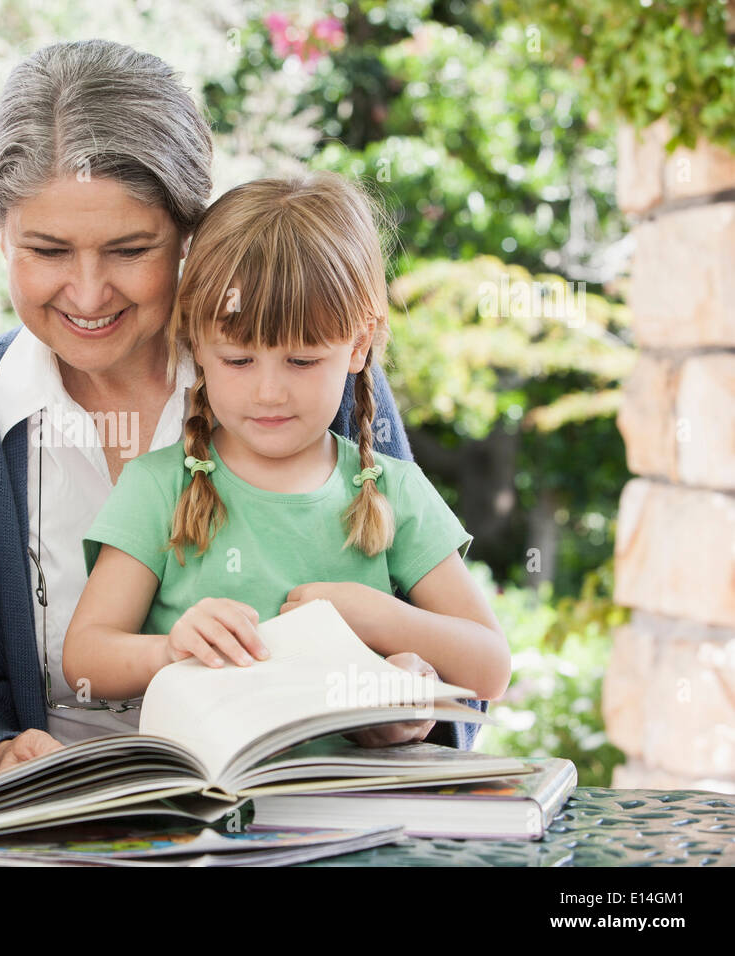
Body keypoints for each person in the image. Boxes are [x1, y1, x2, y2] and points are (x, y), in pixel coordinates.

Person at [0, 39, 482, 781]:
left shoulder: (311, 388)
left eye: (130, 249)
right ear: (0, 235)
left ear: (191, 235)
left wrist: (414, 713)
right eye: (48, 250)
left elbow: (451, 664)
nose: (88, 295)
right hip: (66, 818)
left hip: (294, 807)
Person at [62, 174, 511, 739]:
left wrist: (384, 632)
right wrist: (170, 649)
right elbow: (85, 657)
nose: (269, 393)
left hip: (355, 812)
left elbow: (491, 669)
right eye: (238, 361)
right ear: (195, 343)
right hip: (206, 810)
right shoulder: (158, 487)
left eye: (301, 362)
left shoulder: (391, 490)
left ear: (358, 345)